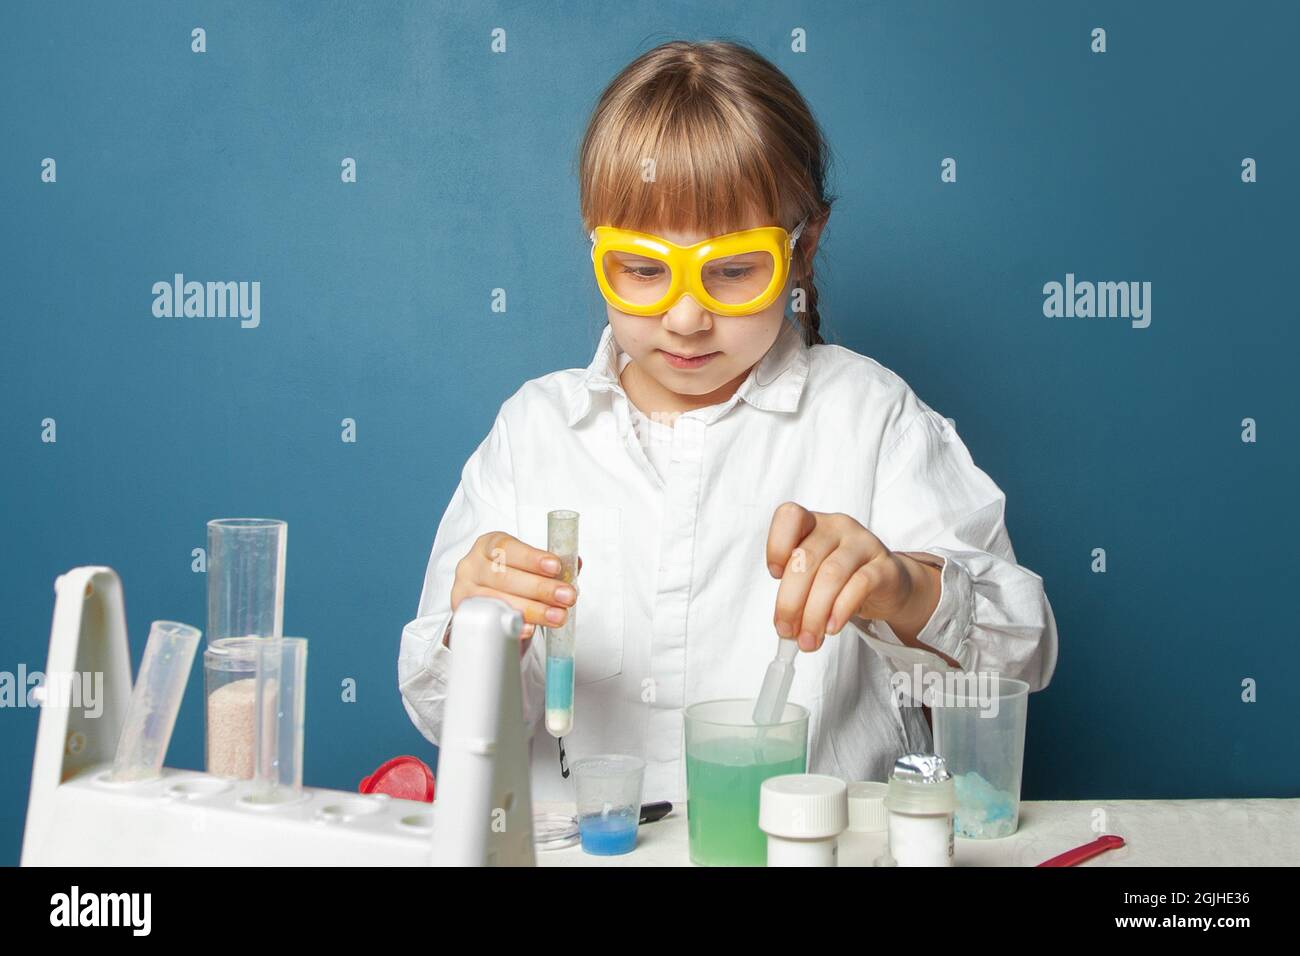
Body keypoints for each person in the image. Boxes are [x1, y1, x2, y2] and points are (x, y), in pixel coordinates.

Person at [399, 39, 1057, 805]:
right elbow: (440, 713)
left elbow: (1015, 667)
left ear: (802, 248)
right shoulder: (535, 432)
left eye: (733, 270)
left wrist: (905, 588)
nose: (685, 317)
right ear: (596, 245)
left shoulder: (869, 419)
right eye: (643, 270)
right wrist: (475, 631)